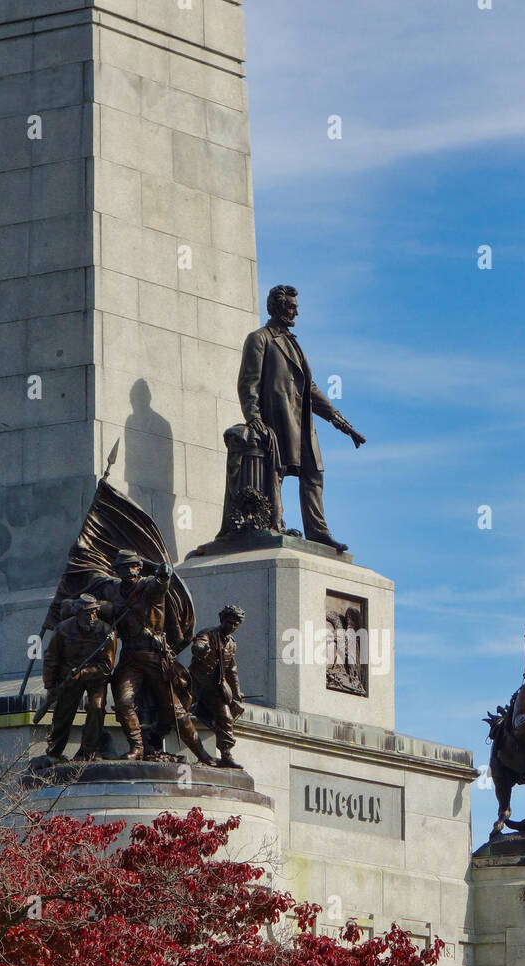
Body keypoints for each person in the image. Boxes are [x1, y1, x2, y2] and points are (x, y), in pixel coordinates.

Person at [237, 285, 365, 552]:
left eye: (295, 306)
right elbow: (249, 382)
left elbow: (311, 389)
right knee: (276, 473)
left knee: (314, 474)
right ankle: (273, 524)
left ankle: (318, 532)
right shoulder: (260, 339)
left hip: (303, 422)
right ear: (278, 307)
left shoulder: (294, 343)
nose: (296, 311)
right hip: (277, 417)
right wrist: (253, 417)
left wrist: (341, 422)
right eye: (291, 306)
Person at [100, 549, 214, 765]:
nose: (130, 571)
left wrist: (163, 576)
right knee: (123, 702)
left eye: (133, 566)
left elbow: (159, 585)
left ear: (139, 568)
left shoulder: (148, 586)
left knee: (176, 710)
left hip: (155, 658)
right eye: (124, 567)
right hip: (130, 657)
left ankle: (202, 754)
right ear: (117, 570)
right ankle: (137, 748)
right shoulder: (112, 589)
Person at [42, 594, 115, 762]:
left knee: (96, 707)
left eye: (94, 612)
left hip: (96, 678)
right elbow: (51, 659)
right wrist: (50, 687)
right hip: (68, 677)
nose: (92, 616)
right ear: (77, 613)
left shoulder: (107, 632)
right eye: (87, 613)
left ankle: (89, 751)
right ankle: (54, 752)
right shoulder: (62, 629)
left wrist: (83, 673)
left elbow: (106, 667)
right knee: (62, 711)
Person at [188, 605, 246, 769]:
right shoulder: (208, 634)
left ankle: (226, 755)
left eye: (236, 624)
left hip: (215, 687)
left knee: (228, 716)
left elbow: (231, 670)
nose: (232, 626)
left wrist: (236, 692)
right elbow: (198, 644)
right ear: (221, 619)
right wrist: (200, 648)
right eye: (229, 622)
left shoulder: (232, 644)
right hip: (197, 682)